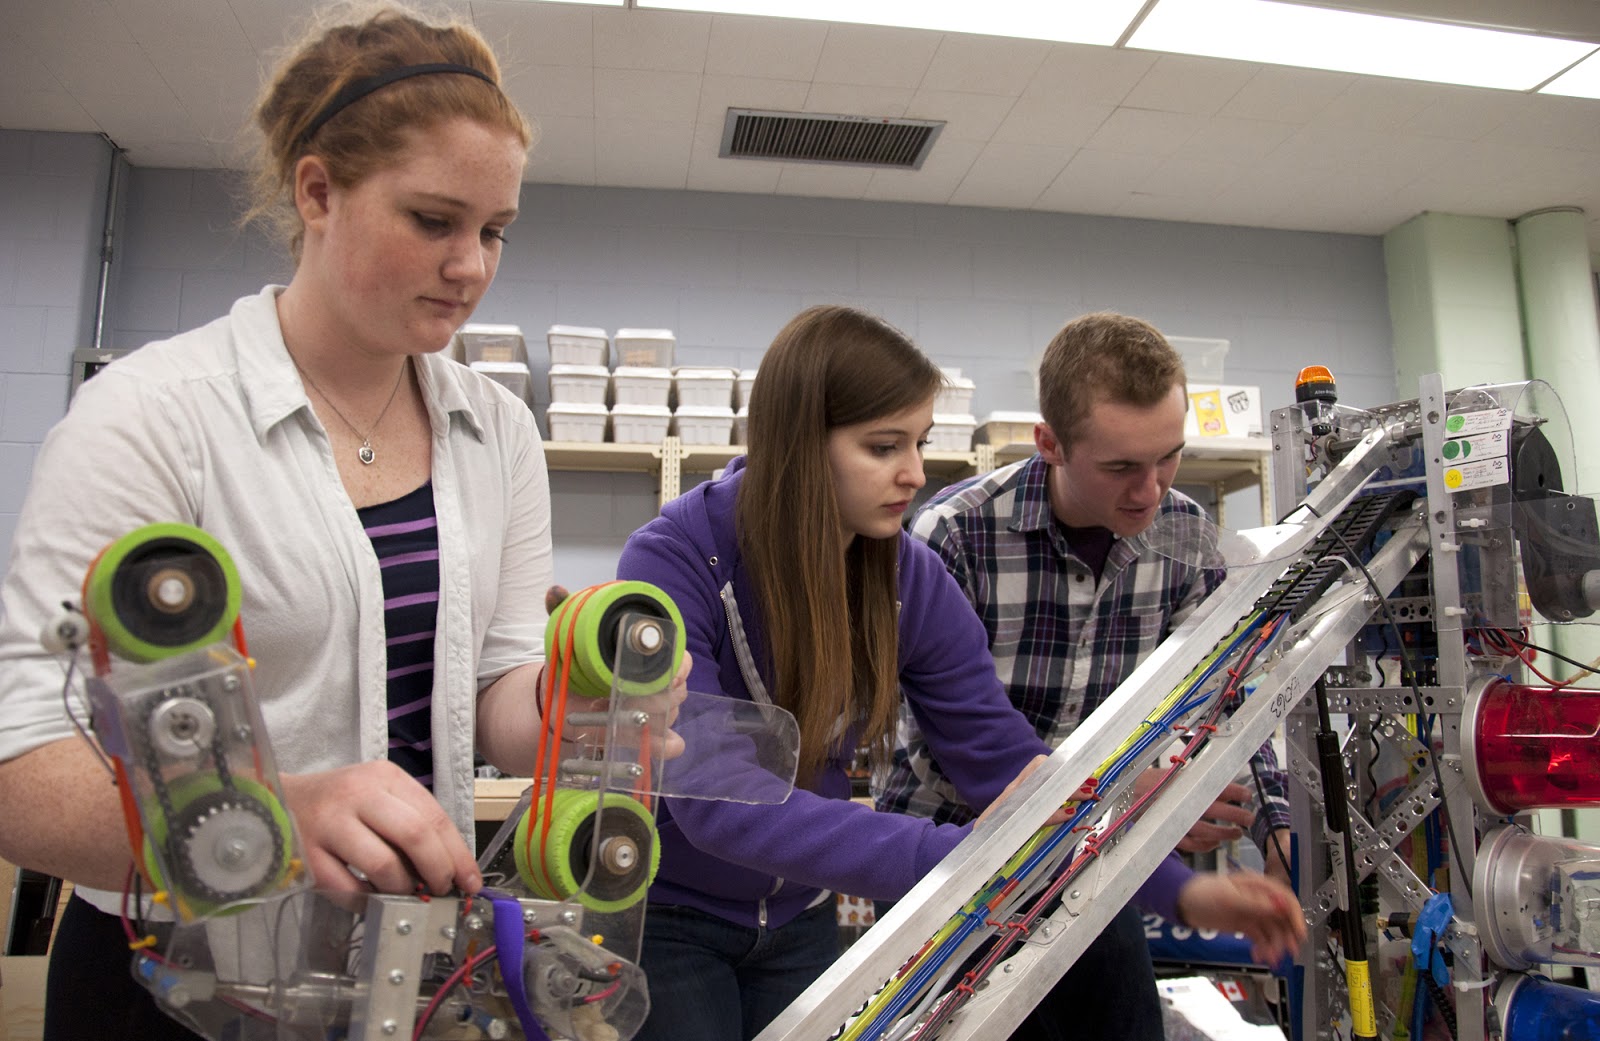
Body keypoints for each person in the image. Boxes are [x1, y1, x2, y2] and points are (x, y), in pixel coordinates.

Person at [0, 8, 683, 1039]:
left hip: (408, 978)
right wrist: (272, 817)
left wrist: (582, 702)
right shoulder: (153, 416)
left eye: (493, 231)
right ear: (317, 191)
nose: (472, 265)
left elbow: (496, 690)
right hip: (180, 988)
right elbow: (21, 765)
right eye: (433, 221)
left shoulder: (493, 428)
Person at [616, 304, 1305, 1041]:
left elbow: (1003, 760)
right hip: (671, 916)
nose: (914, 472)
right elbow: (719, 800)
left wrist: (1182, 893)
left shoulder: (904, 572)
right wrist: (978, 859)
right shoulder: (674, 558)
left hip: (801, 919)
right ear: (796, 445)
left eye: (917, 441)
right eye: (884, 446)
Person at [874, 310, 1296, 1041]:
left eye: (1169, 457)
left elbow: (1224, 701)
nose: (1152, 489)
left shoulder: (1188, 539)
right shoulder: (955, 536)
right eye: (1122, 467)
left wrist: (1275, 827)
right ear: (1050, 443)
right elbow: (955, 745)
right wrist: (1143, 796)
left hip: (1089, 862)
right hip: (949, 853)